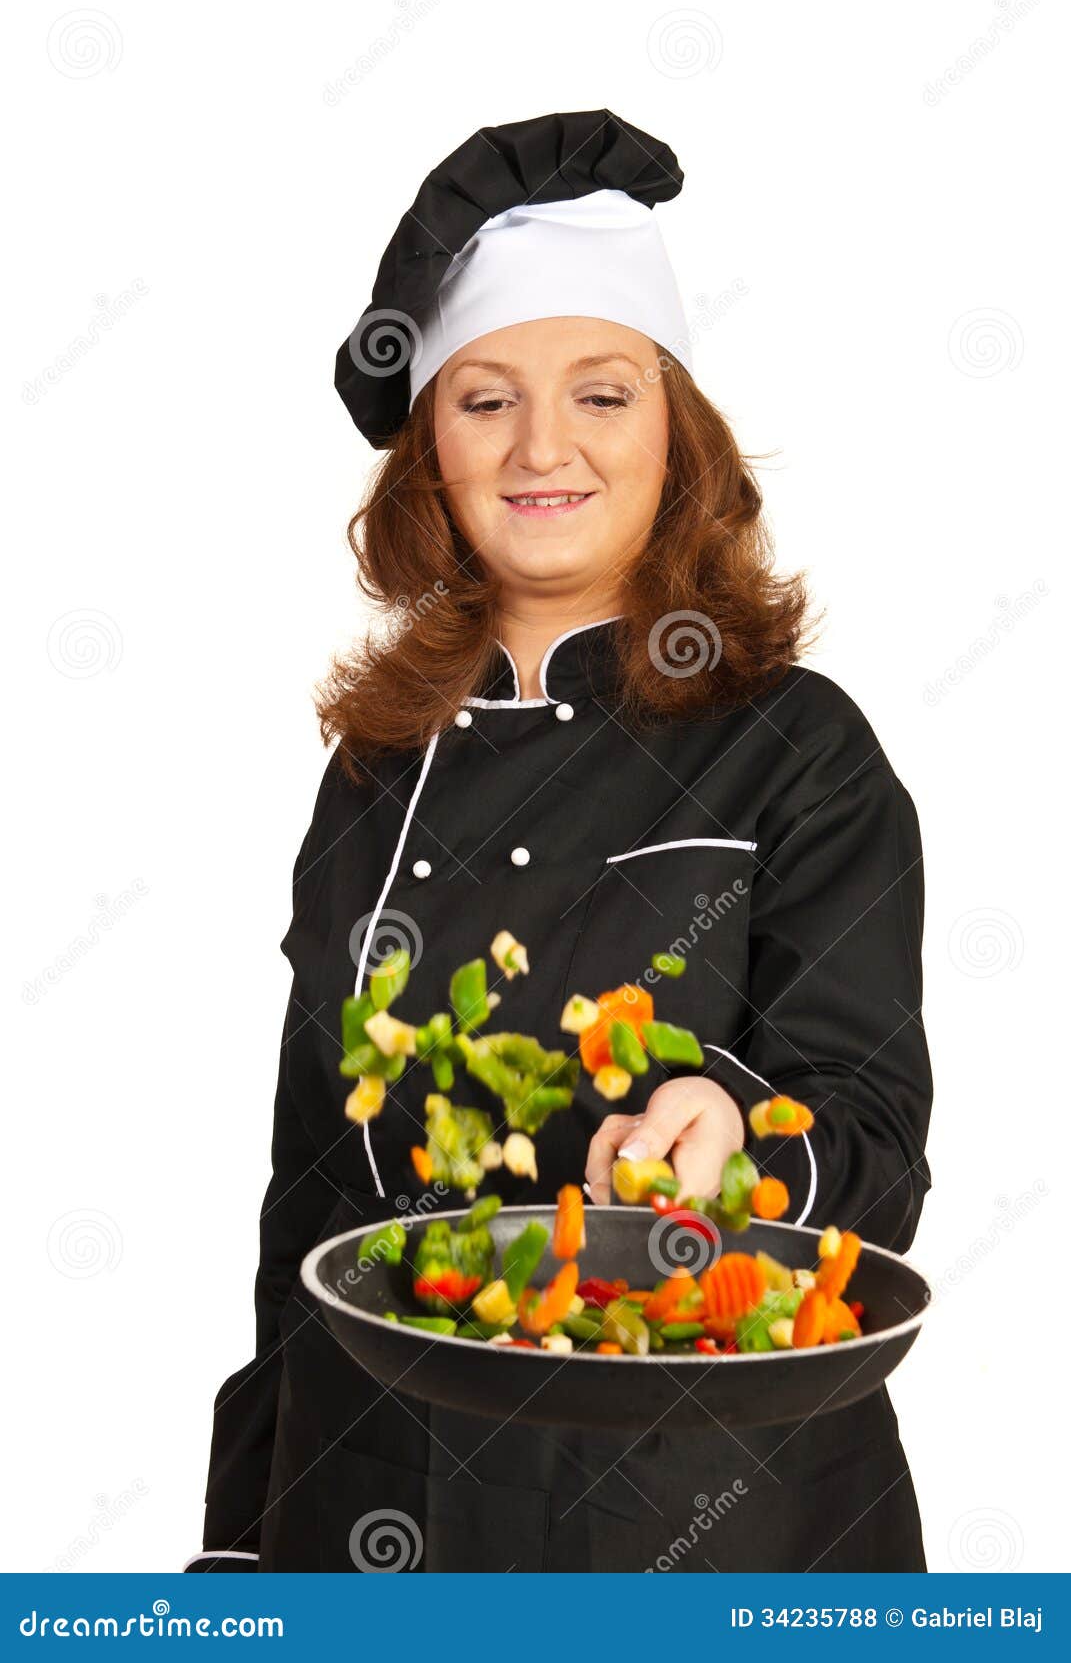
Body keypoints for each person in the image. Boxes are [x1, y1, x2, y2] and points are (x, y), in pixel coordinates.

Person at [186, 110, 933, 1573]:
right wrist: (241, 1541)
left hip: (711, 1517)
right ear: (430, 456)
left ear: (677, 434)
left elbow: (871, 1131)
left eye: (600, 394)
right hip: (374, 1508)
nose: (544, 448)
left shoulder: (799, 747)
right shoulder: (373, 770)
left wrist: (739, 1145)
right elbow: (315, 1194)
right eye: (484, 401)